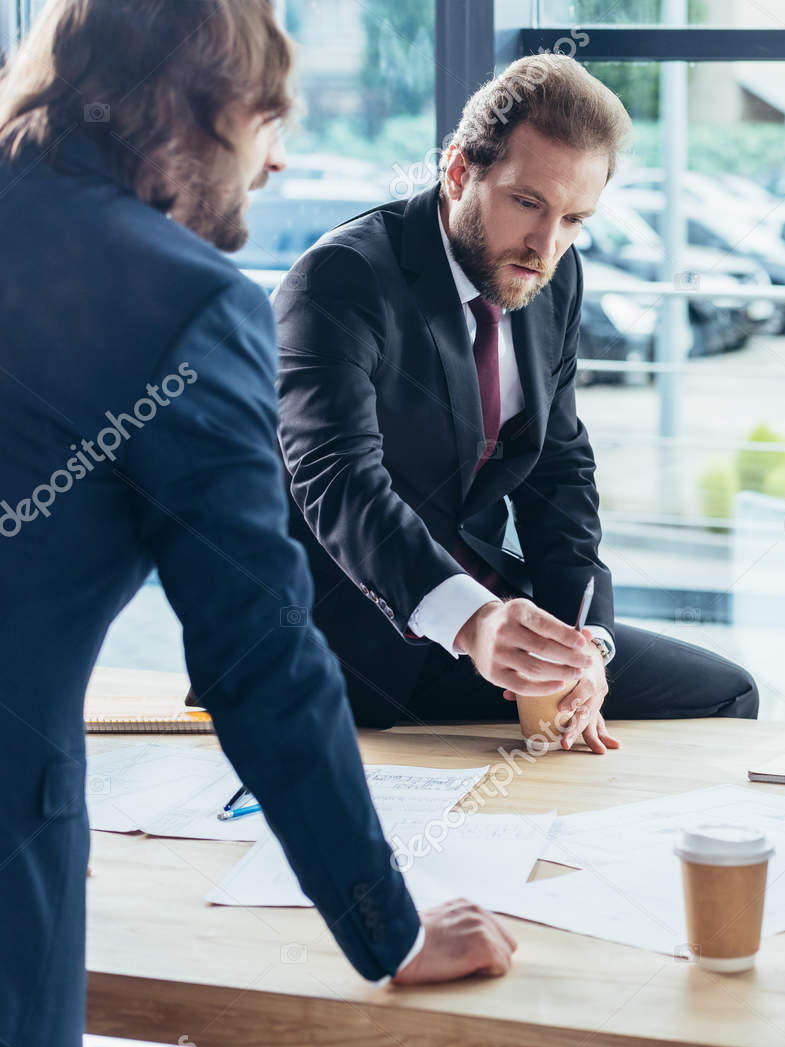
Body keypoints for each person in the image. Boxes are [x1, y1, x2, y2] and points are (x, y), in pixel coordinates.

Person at [0, 0, 515, 1047]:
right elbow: (258, 657)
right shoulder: (179, 303)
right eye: (269, 120)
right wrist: (391, 927)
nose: (276, 165)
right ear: (199, 106)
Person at [273, 54, 757, 748]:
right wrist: (474, 623)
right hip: (346, 640)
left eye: (574, 219)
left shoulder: (552, 278)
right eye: (528, 203)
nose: (546, 243)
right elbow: (336, 478)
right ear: (460, 170)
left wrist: (584, 641)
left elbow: (559, 466)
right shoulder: (343, 278)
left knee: (725, 695)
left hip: (489, 623)